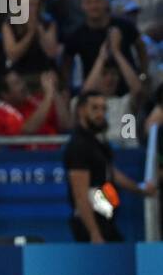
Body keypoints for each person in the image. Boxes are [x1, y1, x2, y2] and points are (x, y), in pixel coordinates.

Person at [63, 91, 156, 242]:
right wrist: (94, 233)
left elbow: (112, 172)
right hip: (90, 225)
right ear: (81, 110)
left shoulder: (99, 142)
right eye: (94, 108)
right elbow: (80, 196)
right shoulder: (78, 146)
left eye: (103, 109)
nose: (100, 113)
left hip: (106, 220)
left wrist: (140, 189)